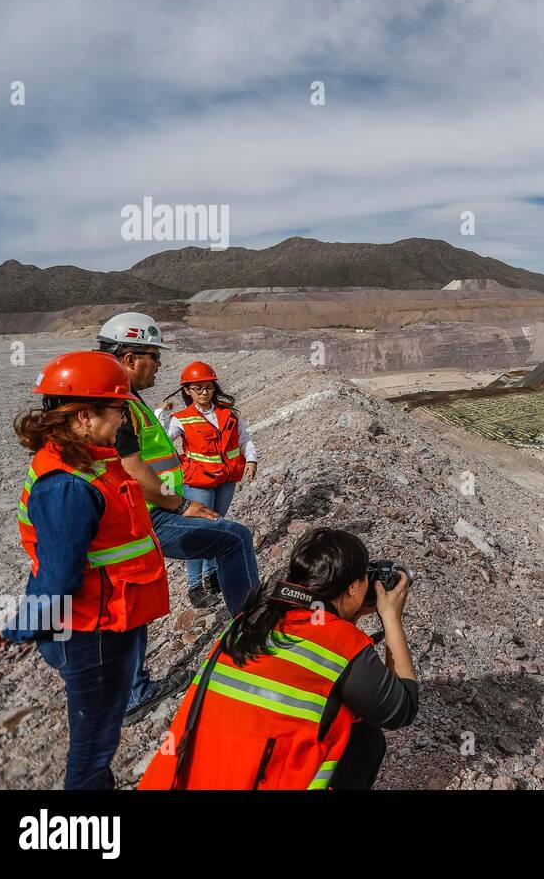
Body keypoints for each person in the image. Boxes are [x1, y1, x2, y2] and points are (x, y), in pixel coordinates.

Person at [0, 352, 170, 789]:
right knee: (92, 752)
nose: (126, 419)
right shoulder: (68, 485)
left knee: (97, 742)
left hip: (106, 621)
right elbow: (59, 575)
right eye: (119, 409)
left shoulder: (90, 460)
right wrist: (19, 629)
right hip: (95, 634)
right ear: (85, 415)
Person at [138, 528, 419, 790]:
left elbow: (312, 667)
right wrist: (391, 618)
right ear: (355, 588)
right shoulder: (339, 644)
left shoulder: (249, 620)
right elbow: (402, 709)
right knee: (365, 735)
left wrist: (350, 615)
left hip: (184, 778)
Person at [94, 311, 260, 717]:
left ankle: (132, 693)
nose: (159, 365)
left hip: (132, 518)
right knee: (233, 537)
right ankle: (254, 635)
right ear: (130, 357)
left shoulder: (121, 401)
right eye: (153, 355)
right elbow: (135, 469)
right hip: (147, 517)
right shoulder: (117, 406)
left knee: (130, 605)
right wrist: (184, 504)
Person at [156, 361, 259, 609]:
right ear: (188, 391)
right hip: (198, 481)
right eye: (198, 388)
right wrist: (160, 414)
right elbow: (163, 443)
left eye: (208, 387)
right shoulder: (181, 419)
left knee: (217, 526)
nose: (204, 392)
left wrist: (252, 458)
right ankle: (194, 587)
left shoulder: (228, 413)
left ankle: (212, 576)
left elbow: (244, 439)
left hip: (225, 480)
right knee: (200, 531)